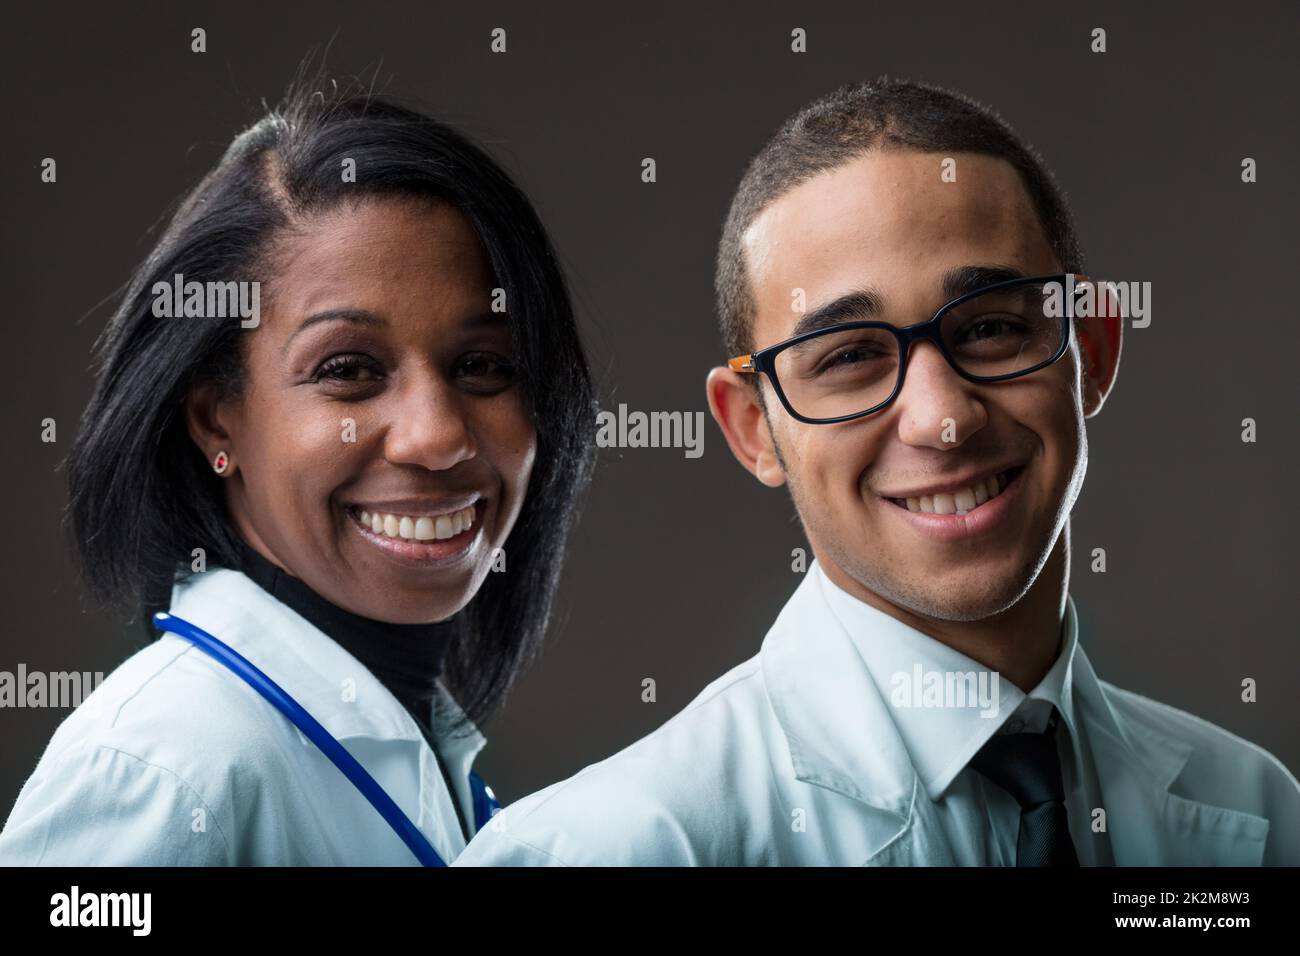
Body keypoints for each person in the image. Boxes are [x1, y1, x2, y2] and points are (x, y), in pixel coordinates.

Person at [456, 77, 1300, 866]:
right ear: (753, 428)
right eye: (851, 356)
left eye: (992, 327)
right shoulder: (612, 846)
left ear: (1093, 346)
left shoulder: (1257, 813)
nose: (943, 418)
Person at [0, 67, 595, 865]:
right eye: (347, 369)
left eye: (484, 365)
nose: (437, 436)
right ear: (218, 418)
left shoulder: (425, 757)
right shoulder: (160, 771)